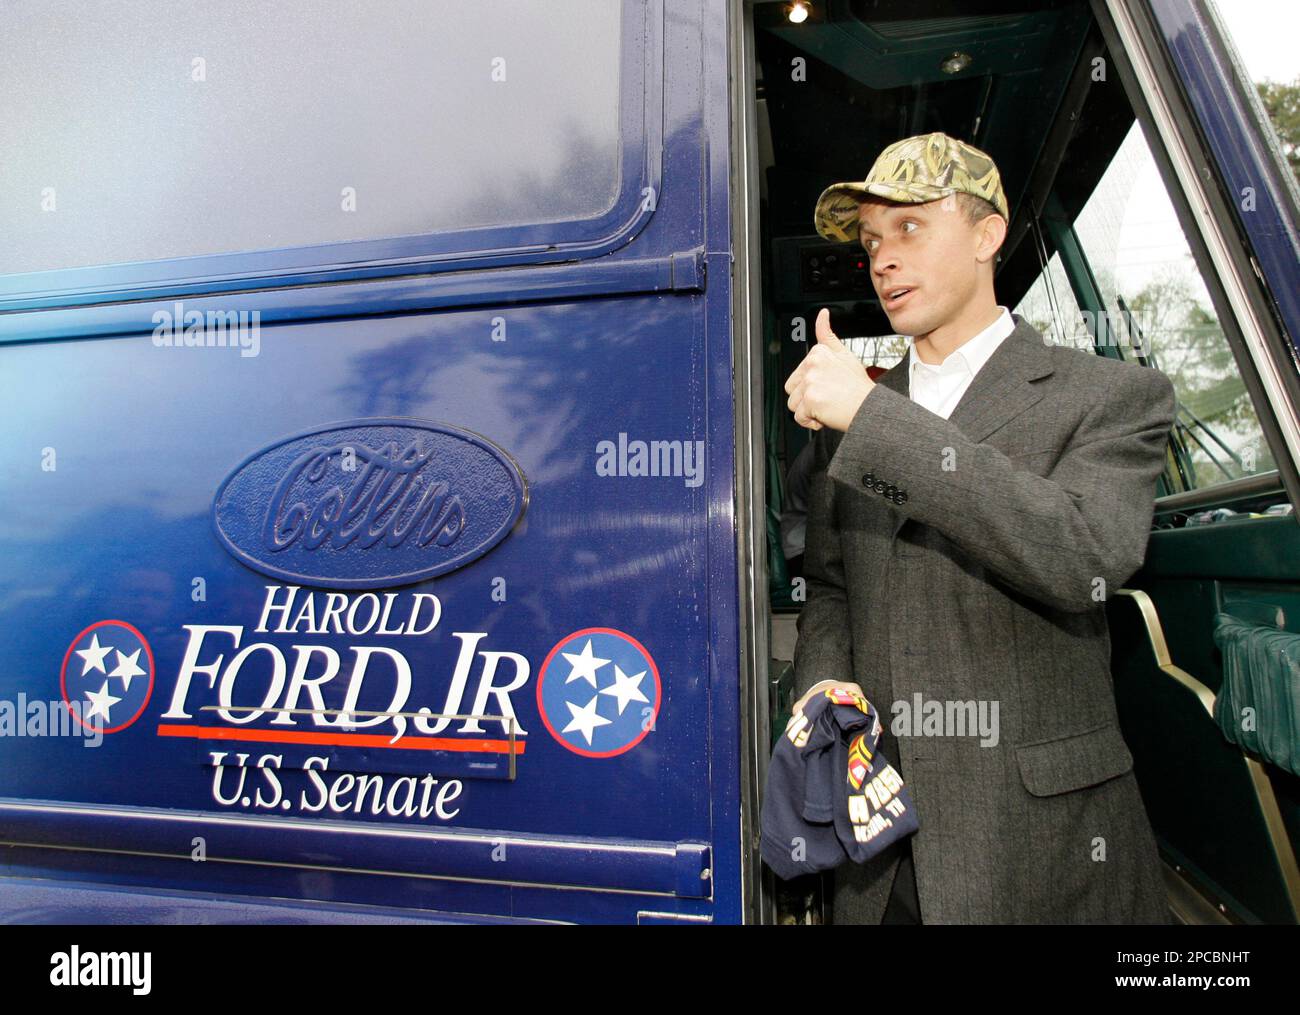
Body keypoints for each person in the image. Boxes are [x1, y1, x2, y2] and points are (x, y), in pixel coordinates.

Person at [782, 132, 1175, 923]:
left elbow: (1083, 554)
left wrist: (871, 416)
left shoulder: (1109, 397)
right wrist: (823, 679)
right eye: (871, 241)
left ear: (988, 234)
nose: (883, 258)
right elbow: (830, 583)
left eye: (911, 228)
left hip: (1041, 845)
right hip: (882, 852)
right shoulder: (847, 420)